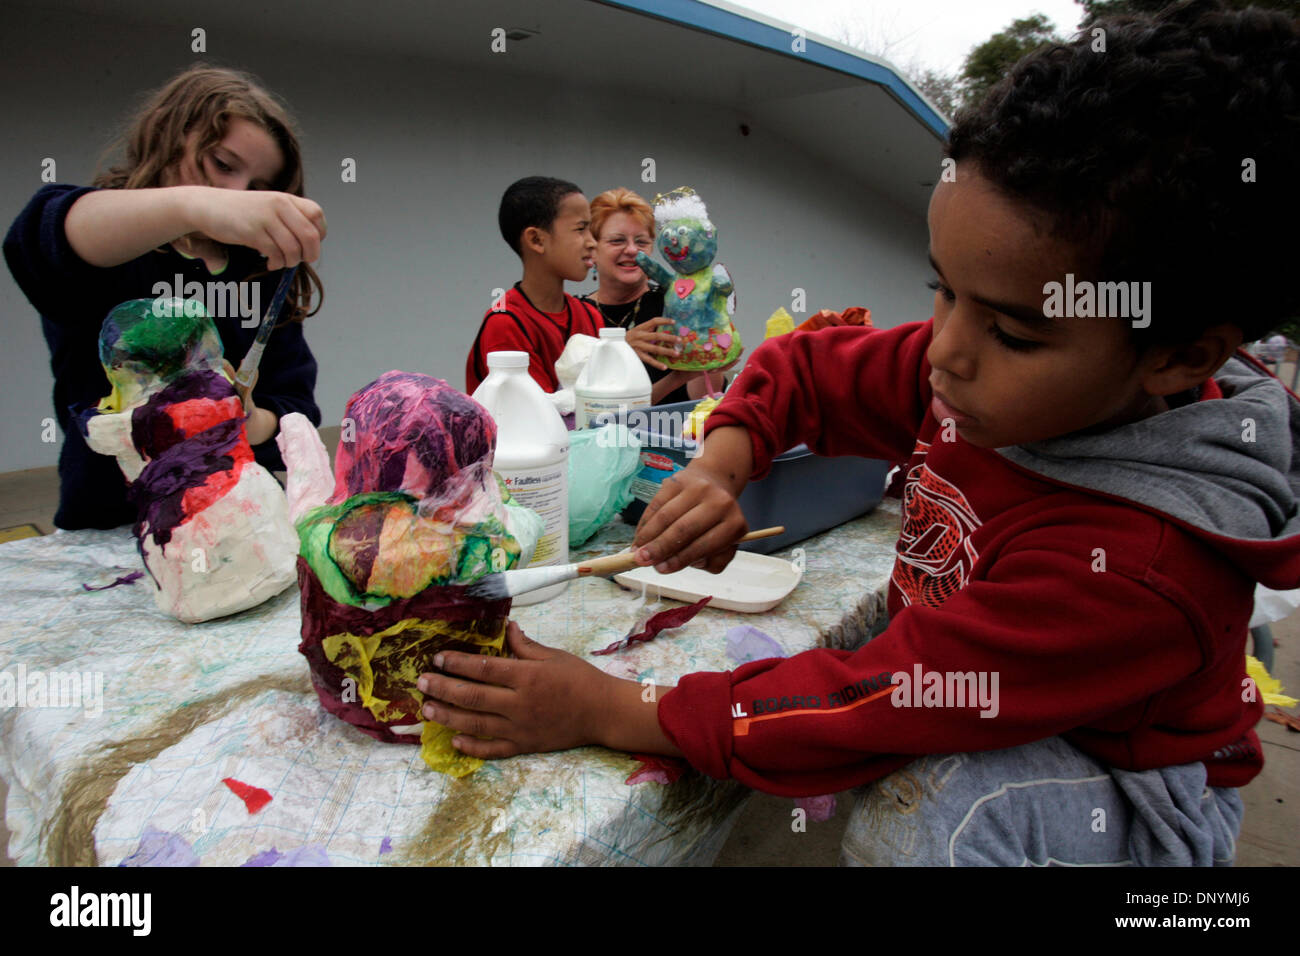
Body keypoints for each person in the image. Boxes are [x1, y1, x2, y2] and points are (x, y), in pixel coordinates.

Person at [416, 0, 1300, 867]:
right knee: (820, 655)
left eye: (1014, 332)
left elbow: (889, 701)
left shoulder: (1144, 568)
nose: (945, 353)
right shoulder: (997, 374)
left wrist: (607, 708)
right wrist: (723, 466)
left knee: (932, 812)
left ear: (1181, 356)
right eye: (941, 291)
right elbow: (804, 368)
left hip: (1124, 788)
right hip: (971, 666)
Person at [5, 65, 325, 531]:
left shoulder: (260, 272)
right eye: (223, 164)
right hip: (117, 524)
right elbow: (37, 236)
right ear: (170, 137)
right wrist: (190, 204)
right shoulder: (113, 244)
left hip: (242, 522)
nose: (237, 193)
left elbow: (294, 410)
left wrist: (247, 418)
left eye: (257, 187)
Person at [582, 187, 738, 404]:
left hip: (674, 431)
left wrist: (708, 336)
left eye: (641, 242)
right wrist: (619, 350)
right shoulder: (576, 314)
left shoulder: (676, 301)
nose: (632, 250)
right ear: (592, 250)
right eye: (617, 241)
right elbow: (581, 409)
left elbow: (702, 401)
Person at [465, 177, 607, 395]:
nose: (592, 242)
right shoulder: (505, 323)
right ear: (536, 240)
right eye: (580, 229)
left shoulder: (589, 315)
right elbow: (540, 416)